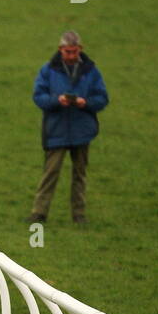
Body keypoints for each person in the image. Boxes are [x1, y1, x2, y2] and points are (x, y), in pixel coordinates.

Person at [28, 30, 109, 226]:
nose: (71, 55)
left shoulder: (91, 71)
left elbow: (102, 98)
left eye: (74, 51)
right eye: (67, 51)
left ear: (80, 49)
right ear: (60, 50)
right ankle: (39, 213)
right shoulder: (47, 70)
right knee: (50, 173)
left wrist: (85, 103)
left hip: (82, 131)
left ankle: (79, 215)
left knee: (80, 175)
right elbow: (38, 96)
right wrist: (57, 101)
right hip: (57, 131)